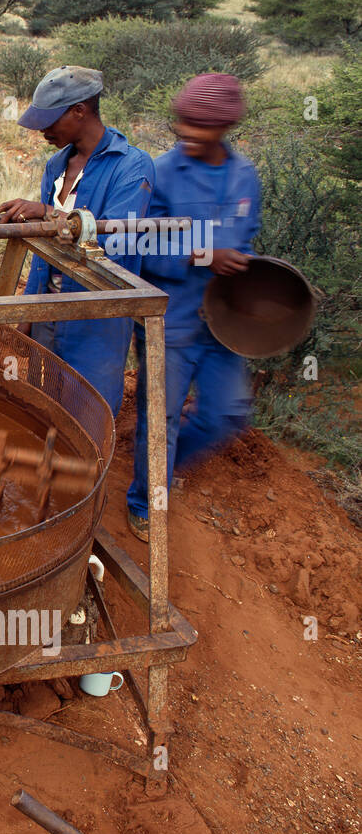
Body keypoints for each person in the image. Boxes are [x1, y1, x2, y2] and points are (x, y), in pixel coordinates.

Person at [124, 74, 262, 541]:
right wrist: (205, 254)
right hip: (173, 318)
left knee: (226, 413)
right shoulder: (160, 173)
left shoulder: (245, 177)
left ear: (224, 127)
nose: (187, 132)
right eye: (182, 122)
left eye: (199, 126)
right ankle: (145, 500)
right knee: (158, 416)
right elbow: (139, 244)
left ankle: (162, 463)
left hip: (225, 323)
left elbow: (246, 238)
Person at [0, 66, 154, 417]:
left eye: (51, 120)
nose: (43, 130)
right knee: (46, 403)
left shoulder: (131, 166)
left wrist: (48, 214)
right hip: (49, 306)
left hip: (95, 313)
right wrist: (29, 309)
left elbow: (119, 239)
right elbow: (44, 253)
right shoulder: (56, 165)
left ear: (79, 110)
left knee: (88, 409)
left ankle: (89, 470)